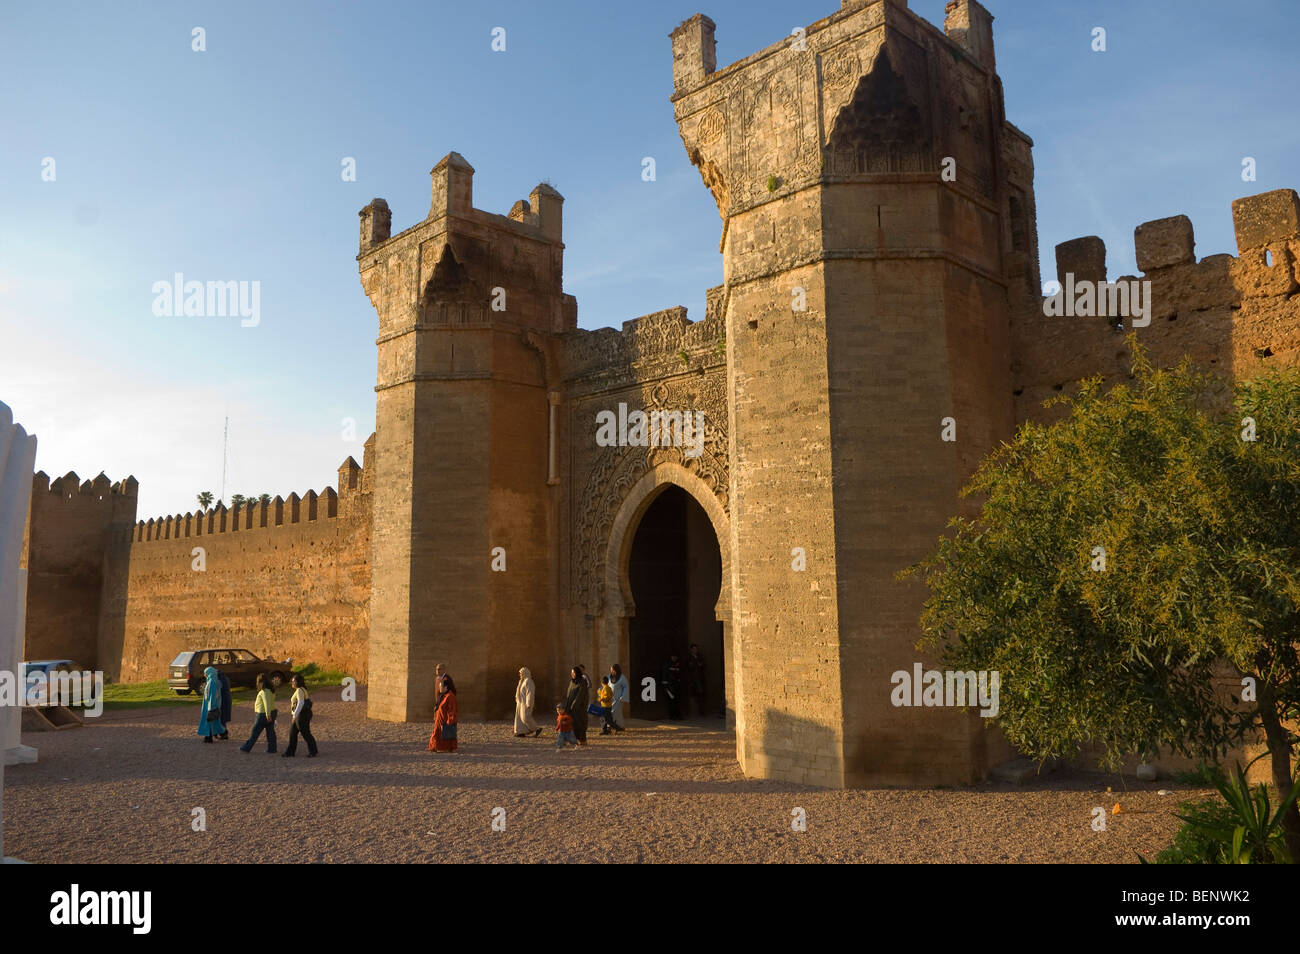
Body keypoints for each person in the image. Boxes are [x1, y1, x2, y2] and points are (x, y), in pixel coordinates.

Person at [240, 673, 278, 754]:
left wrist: (268, 714)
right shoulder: (271, 690)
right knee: (270, 732)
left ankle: (246, 747)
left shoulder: (265, 691)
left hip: (263, 714)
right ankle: (272, 748)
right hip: (272, 712)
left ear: (260, 682)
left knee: (255, 731)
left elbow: (266, 703)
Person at [283, 673, 318, 758]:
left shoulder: (299, 690)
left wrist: (295, 715)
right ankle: (290, 752)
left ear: (298, 682)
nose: (292, 683)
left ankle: (313, 751)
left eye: (293, 681)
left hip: (301, 715)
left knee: (305, 733)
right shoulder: (301, 689)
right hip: (301, 715)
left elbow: (301, 703)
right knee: (292, 733)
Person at [428, 674, 458, 753]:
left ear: (446, 687)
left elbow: (452, 709)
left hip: (444, 720)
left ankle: (444, 748)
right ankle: (435, 747)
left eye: (441, 686)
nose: (439, 688)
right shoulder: (443, 696)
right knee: (437, 734)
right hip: (439, 719)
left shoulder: (450, 696)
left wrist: (450, 720)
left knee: (444, 735)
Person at [196, 666, 225, 743]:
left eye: (205, 673)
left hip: (210, 706)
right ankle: (222, 732)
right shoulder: (213, 681)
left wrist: (210, 707)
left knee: (209, 721)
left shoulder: (212, 682)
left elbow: (212, 695)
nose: (205, 675)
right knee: (214, 721)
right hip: (210, 705)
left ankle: (208, 737)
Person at [564, 666, 589, 745]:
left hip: (579, 708)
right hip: (570, 707)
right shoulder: (572, 682)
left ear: (577, 673)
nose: (572, 674)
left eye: (573, 672)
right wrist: (568, 705)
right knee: (569, 723)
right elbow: (569, 694)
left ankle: (582, 740)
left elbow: (580, 695)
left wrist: (574, 705)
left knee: (580, 724)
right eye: (571, 672)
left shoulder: (583, 682)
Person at [514, 667, 542, 737]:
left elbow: (530, 693)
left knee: (525, 717)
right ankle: (521, 732)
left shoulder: (529, 681)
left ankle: (536, 729)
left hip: (525, 703)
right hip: (520, 702)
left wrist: (528, 703)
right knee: (520, 718)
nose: (520, 675)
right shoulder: (522, 681)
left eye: (521, 673)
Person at [686, 643, 706, 718]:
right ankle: (693, 712)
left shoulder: (700, 657)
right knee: (692, 695)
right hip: (692, 679)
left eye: (696, 649)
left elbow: (703, 665)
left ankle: (701, 712)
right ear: (691, 650)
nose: (695, 650)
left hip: (700, 679)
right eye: (694, 649)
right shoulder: (689, 658)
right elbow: (688, 668)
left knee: (701, 695)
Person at [661, 654, 683, 720]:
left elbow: (679, 674)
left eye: (676, 656)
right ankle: (672, 716)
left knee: (677, 700)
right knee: (671, 701)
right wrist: (665, 685)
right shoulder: (667, 664)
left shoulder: (678, 664)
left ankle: (678, 715)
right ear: (671, 657)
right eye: (673, 656)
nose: (674, 658)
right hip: (669, 685)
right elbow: (664, 674)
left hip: (676, 685)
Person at [608, 663, 628, 732]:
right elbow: (606, 686)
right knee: (610, 712)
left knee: (617, 713)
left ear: (616, 670)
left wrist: (623, 696)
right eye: (611, 670)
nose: (612, 671)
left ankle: (619, 726)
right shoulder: (609, 677)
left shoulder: (622, 678)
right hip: (610, 699)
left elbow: (625, 687)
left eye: (613, 670)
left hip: (618, 699)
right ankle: (611, 726)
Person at [217, 669, 233, 740]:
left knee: (221, 717)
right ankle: (222, 733)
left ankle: (223, 733)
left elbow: (220, 689)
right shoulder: (225, 679)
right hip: (227, 699)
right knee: (223, 718)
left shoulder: (220, 680)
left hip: (223, 700)